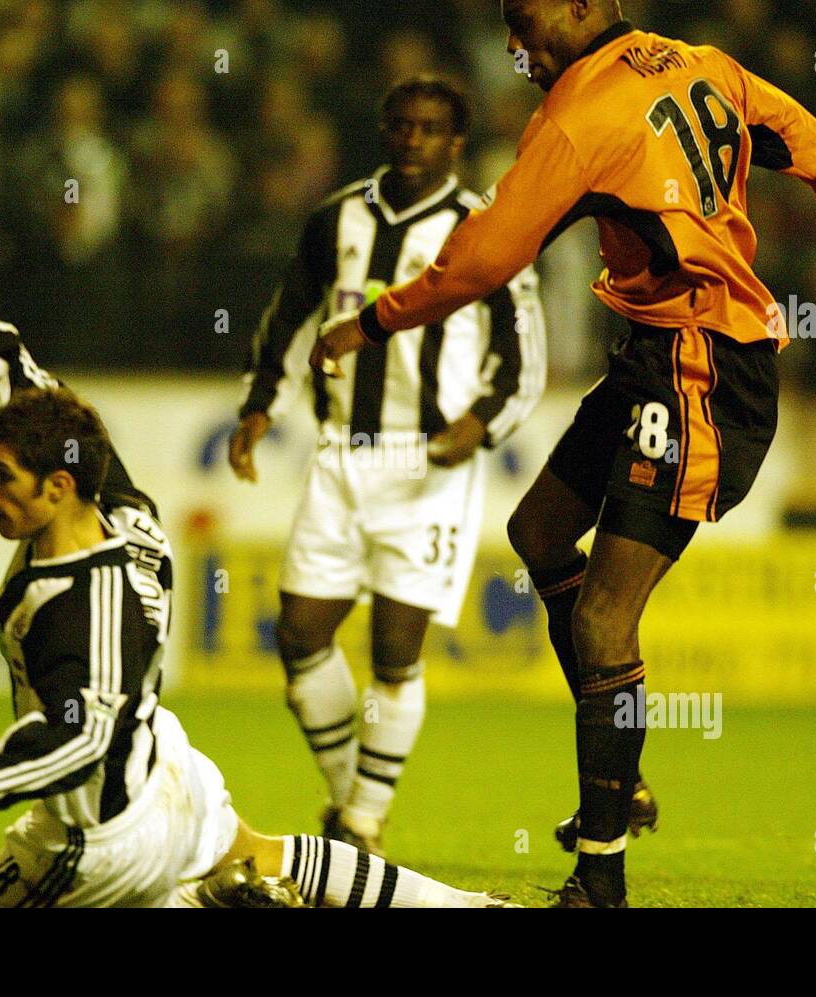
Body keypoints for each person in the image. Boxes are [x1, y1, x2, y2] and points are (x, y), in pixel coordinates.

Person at [310, 1, 816, 907]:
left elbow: (481, 262)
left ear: (582, 7)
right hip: (657, 355)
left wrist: (375, 319)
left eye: (528, 25)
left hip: (697, 368)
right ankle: (623, 773)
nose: (513, 46)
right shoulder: (702, 64)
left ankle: (601, 875)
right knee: (538, 531)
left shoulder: (580, 117)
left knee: (605, 619)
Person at [0, 279, 513, 909]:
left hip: (99, 832)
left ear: (56, 487)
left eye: (1, 477)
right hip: (163, 761)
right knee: (261, 851)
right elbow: (10, 356)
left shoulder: (73, 609)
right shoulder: (123, 507)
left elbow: (76, 742)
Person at [229, 75, 547, 855]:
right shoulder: (337, 214)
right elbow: (289, 308)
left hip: (428, 463)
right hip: (342, 454)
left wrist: (484, 422)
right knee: (301, 632)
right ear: (385, 129)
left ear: (456, 143)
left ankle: (362, 820)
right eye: (401, 126)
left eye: (430, 129)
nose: (413, 140)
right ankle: (353, 800)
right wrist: (258, 399)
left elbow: (524, 352)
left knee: (394, 654)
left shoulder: (486, 227)